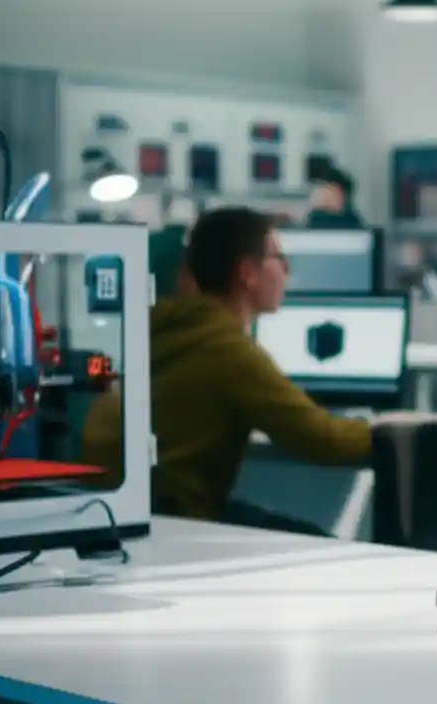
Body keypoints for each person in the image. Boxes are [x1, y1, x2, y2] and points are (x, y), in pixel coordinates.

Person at [82, 207, 372, 528]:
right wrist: (397, 434)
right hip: (182, 522)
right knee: (324, 550)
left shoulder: (173, 325)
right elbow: (324, 440)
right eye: (279, 257)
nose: (287, 270)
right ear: (247, 272)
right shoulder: (225, 347)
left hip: (132, 514)